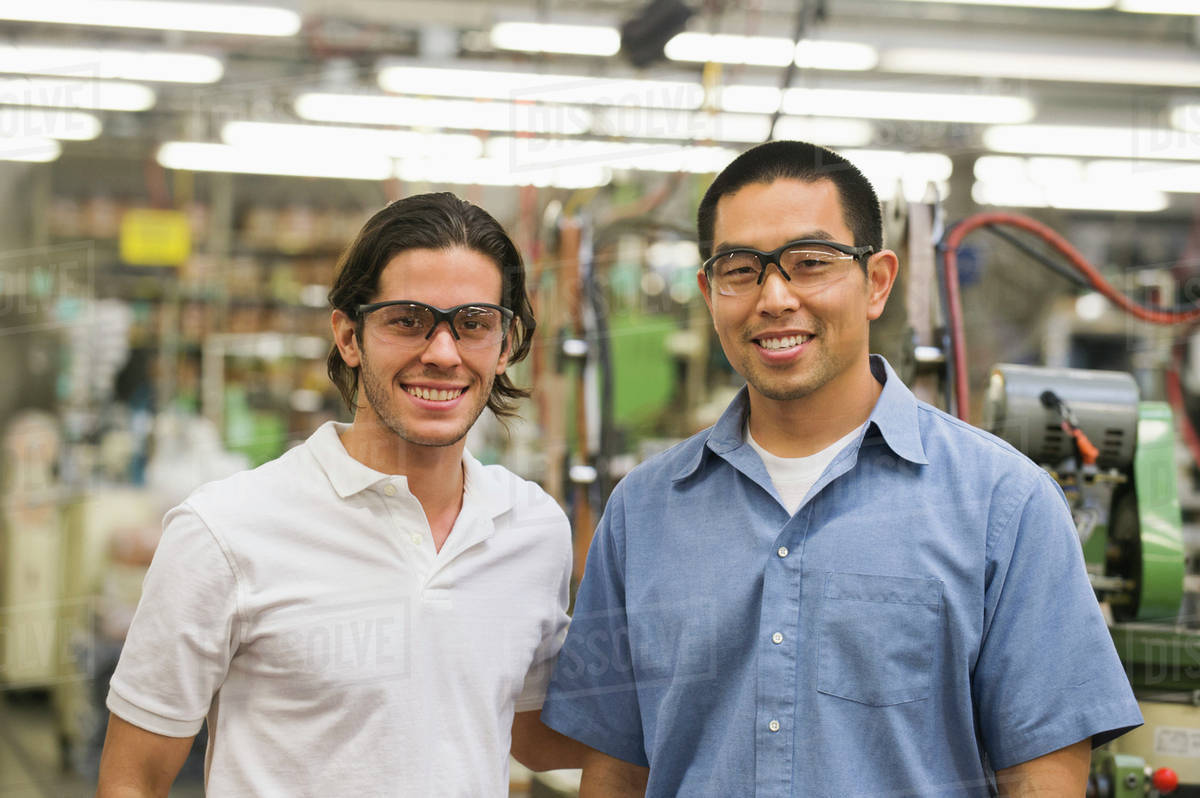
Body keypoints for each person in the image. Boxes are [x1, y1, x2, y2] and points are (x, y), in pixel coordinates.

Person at [540, 140, 1142, 797]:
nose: (775, 297)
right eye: (741, 269)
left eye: (810, 263)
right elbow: (616, 770)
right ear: (709, 292)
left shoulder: (1004, 504)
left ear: (877, 282)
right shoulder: (644, 511)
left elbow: (1044, 774)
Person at [97, 192, 583, 796]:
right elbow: (131, 780)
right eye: (407, 320)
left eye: (474, 323)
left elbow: (530, 732)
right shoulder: (224, 531)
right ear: (350, 337)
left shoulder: (532, 528)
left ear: (506, 343)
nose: (442, 353)